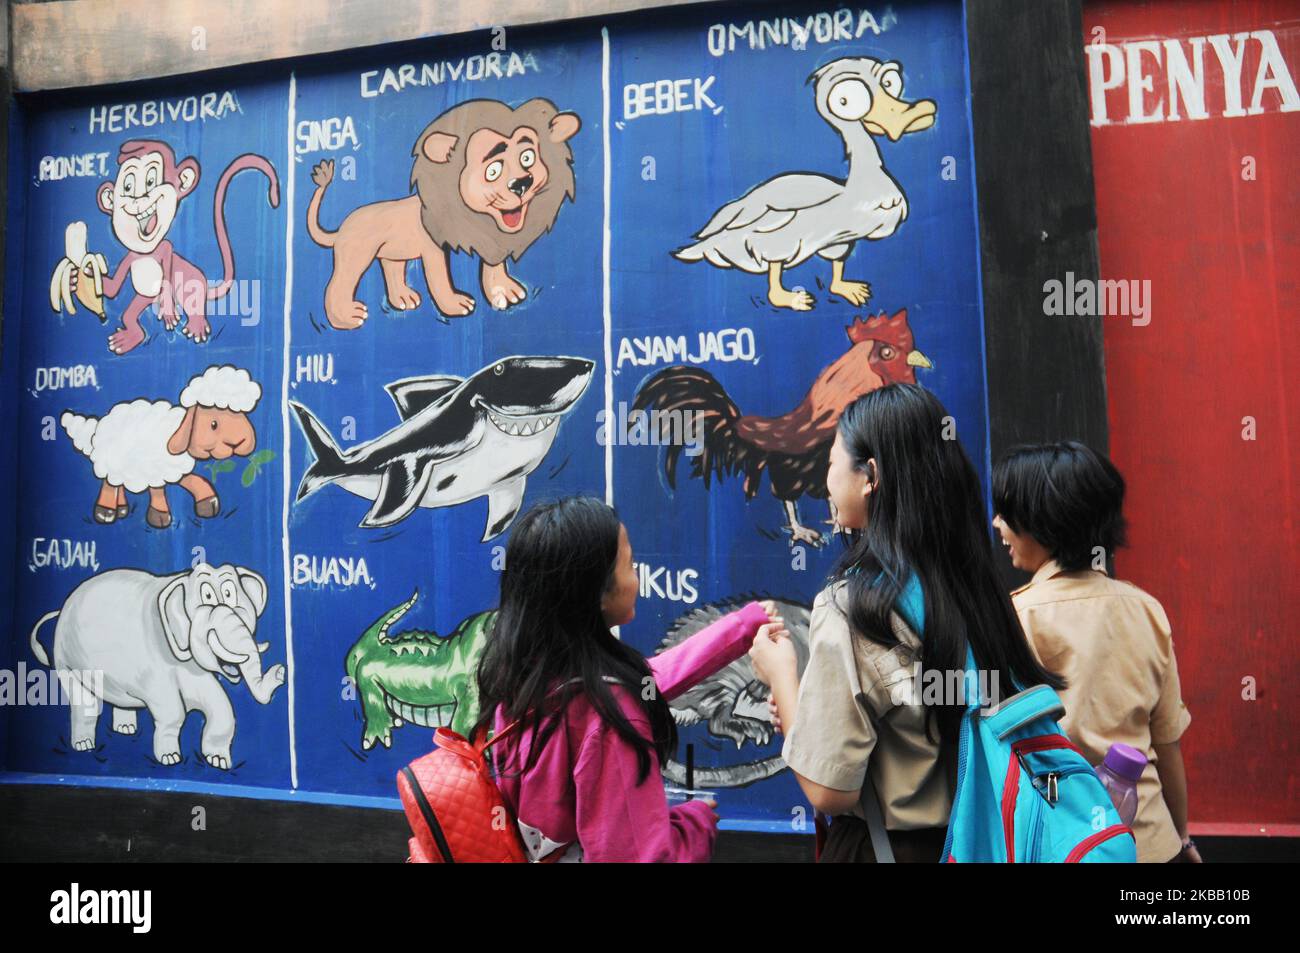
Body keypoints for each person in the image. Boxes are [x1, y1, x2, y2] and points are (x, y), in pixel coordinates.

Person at [750, 383, 1064, 862]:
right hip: (986, 843)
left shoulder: (853, 604)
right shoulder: (976, 590)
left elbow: (828, 790)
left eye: (832, 462)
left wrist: (780, 678)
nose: (826, 479)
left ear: (870, 475)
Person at [473, 495, 785, 862]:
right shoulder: (612, 716)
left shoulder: (528, 677)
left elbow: (647, 682)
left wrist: (742, 627)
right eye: (631, 565)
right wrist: (694, 825)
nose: (637, 578)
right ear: (598, 592)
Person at [992, 441, 1199, 863]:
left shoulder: (1015, 617)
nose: (997, 524)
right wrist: (1182, 840)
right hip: (1148, 842)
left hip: (1063, 846)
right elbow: (1167, 744)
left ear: (1042, 523)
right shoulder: (1146, 610)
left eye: (1007, 514)